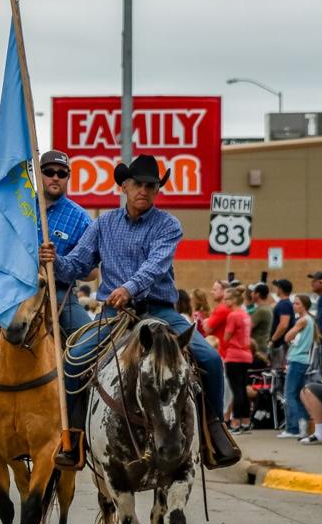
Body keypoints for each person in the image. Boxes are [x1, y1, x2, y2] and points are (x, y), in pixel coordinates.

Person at [41, 153, 241, 468]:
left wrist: (128, 289)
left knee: (211, 359)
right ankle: (74, 435)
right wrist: (54, 260)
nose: (144, 191)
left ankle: (214, 431)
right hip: (114, 316)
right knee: (74, 360)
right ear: (124, 186)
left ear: (157, 190)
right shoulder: (103, 224)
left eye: (151, 186)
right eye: (138, 184)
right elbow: (77, 265)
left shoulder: (168, 225)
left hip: (160, 311)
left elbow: (155, 266)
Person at [0, 150, 93, 441]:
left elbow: (92, 273)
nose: (55, 178)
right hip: (12, 293)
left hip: (59, 296)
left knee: (91, 349)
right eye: (49, 172)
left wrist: (59, 263)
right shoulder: (16, 209)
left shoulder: (80, 218)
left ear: (68, 180)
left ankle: (80, 425)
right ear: (39, 175)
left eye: (62, 174)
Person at [278, 294, 316, 439]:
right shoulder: (310, 320)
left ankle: (293, 427)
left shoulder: (302, 320)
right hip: (303, 359)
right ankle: (302, 424)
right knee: (299, 394)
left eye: (297, 304)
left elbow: (287, 337)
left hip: (297, 359)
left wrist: (291, 335)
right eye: (294, 303)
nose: (294, 306)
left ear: (304, 306)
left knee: (289, 394)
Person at [221, 286, 253, 433]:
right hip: (246, 355)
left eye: (227, 298)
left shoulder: (233, 316)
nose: (224, 301)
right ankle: (246, 421)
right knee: (243, 389)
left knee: (236, 390)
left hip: (234, 355)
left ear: (233, 300)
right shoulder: (245, 315)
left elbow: (226, 337)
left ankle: (237, 422)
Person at [270, 278, 295, 360]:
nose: (275, 289)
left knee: (279, 369)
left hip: (281, 344)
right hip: (280, 344)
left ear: (280, 289)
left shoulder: (285, 305)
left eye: (277, 287)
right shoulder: (283, 303)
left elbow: (283, 325)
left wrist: (273, 340)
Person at [250, 282, 274, 358]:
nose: (251, 294)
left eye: (253, 292)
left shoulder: (262, 310)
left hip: (258, 349)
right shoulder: (265, 308)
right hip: (261, 347)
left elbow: (248, 327)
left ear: (257, 294)